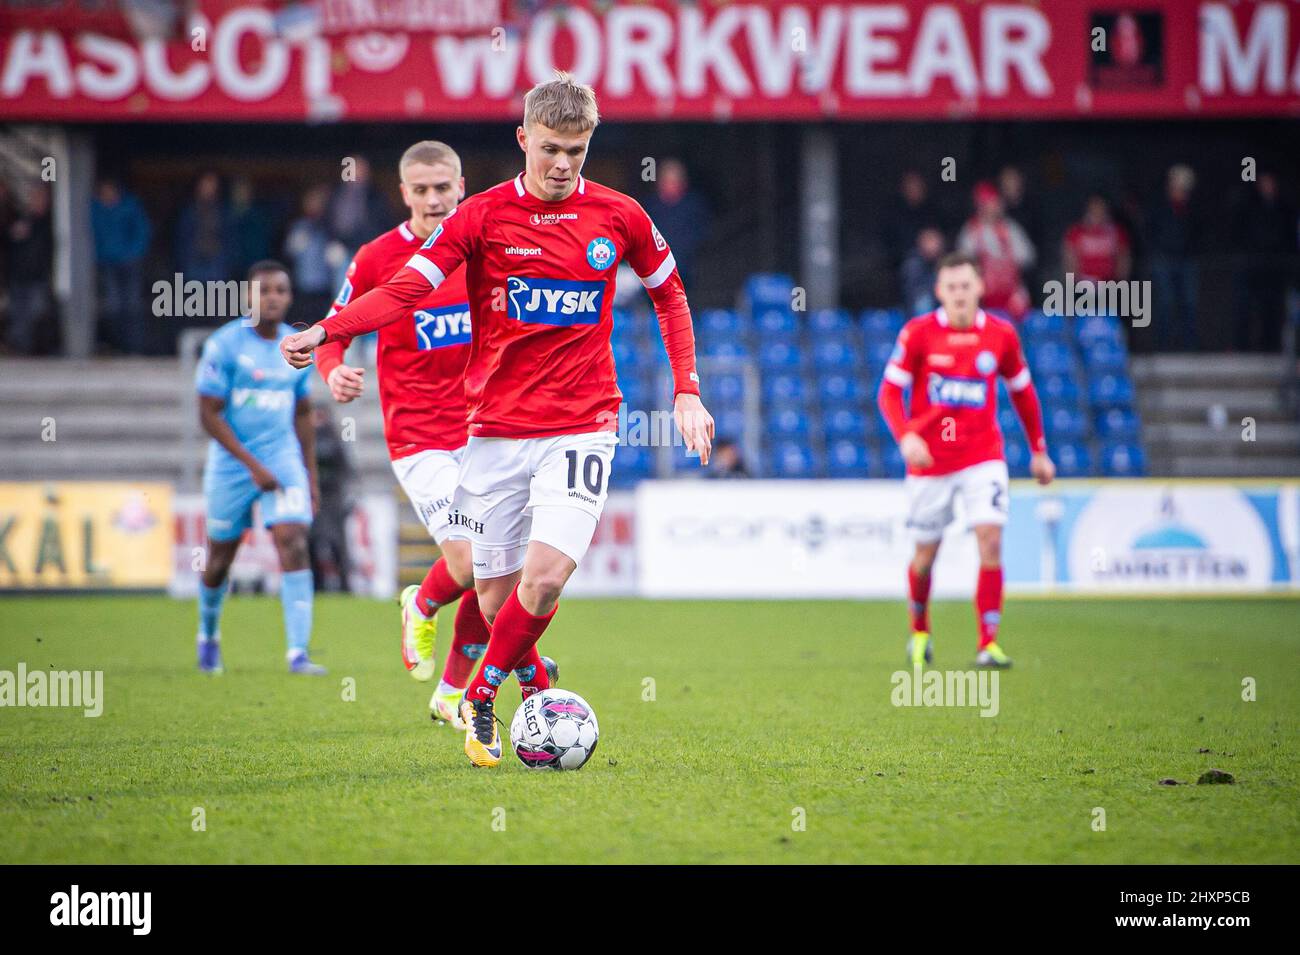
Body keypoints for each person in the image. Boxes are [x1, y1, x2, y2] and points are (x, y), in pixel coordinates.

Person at [282, 72, 714, 767]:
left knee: (543, 578)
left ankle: (479, 697)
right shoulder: (479, 218)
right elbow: (403, 290)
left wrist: (687, 390)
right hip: (492, 432)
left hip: (582, 424)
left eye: (576, 150)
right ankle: (519, 675)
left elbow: (670, 294)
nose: (562, 164)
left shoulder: (620, 215)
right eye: (549, 148)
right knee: (490, 591)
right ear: (523, 139)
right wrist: (327, 331)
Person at [315, 139, 554, 726]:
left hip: (487, 428)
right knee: (472, 562)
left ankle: (449, 693)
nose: (433, 200)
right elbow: (339, 321)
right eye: (420, 190)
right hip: (419, 433)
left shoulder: (484, 251)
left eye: (443, 188)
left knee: (498, 569)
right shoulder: (376, 258)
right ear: (404, 194)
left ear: (461, 186)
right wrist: (332, 366)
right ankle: (422, 604)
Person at [876, 252, 1054, 670]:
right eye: (951, 287)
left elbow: (1023, 394)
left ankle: (987, 643)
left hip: (982, 456)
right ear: (939, 291)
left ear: (979, 288)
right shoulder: (918, 334)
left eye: (966, 286)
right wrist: (906, 437)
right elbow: (888, 393)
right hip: (930, 463)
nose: (959, 294)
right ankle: (920, 631)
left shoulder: (1001, 335)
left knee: (991, 541)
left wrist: (1039, 449)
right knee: (925, 557)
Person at [193, 260, 325, 676]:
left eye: (281, 290)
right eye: (263, 290)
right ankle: (208, 635)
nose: (272, 298)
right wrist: (252, 467)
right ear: (248, 296)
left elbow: (303, 415)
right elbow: (209, 415)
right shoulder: (224, 345)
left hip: (283, 459)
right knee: (219, 558)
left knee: (293, 540)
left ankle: (298, 653)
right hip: (233, 465)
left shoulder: (296, 345)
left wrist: (309, 475)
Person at [1232, 171, 1296, 353]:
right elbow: (1240, 233)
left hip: (1275, 268)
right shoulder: (1250, 208)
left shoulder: (1284, 208)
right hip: (1253, 266)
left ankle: (1270, 345)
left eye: (1270, 182)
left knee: (1273, 308)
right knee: (1247, 307)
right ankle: (1242, 347)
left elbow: (1289, 236)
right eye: (1263, 183)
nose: (1267, 187)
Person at [957, 181, 1035, 321]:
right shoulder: (971, 231)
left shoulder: (1009, 228)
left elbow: (1027, 257)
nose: (995, 207)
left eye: (996, 203)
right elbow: (963, 265)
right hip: (983, 298)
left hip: (1011, 295)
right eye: (990, 203)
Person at [91, 177, 152, 354]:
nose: (107, 195)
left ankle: (134, 348)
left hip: (130, 264)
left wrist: (134, 254)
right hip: (106, 264)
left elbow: (142, 231)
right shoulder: (94, 208)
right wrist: (98, 257)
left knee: (132, 305)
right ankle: (115, 346)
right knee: (112, 306)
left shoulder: (130, 206)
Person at [1146, 164, 1200, 351]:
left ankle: (1189, 347)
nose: (1180, 189)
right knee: (1165, 303)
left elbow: (1199, 232)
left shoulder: (1192, 208)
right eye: (1177, 184)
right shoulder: (1158, 205)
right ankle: (1162, 347)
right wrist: (1157, 250)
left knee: (1189, 303)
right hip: (1163, 259)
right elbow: (1150, 230)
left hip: (1186, 260)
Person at [642, 158, 709, 289]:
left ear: (683, 184)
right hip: (653, 266)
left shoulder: (693, 206)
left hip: (684, 265)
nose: (670, 186)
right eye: (667, 182)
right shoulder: (650, 206)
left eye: (675, 182)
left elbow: (701, 235)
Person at [308, 404, 354, 593]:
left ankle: (344, 585)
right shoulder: (305, 441)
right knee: (310, 543)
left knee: (337, 545)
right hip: (311, 498)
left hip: (332, 499)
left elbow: (345, 469)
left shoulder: (334, 441)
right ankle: (315, 585)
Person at [6, 182, 55, 355]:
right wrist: (13, 235)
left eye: (39, 197)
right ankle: (21, 349)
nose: (35, 201)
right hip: (19, 274)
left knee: (38, 313)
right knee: (19, 315)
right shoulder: (22, 219)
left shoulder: (51, 220)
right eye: (33, 197)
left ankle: (39, 350)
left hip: (39, 275)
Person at [283, 185, 337, 327]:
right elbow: (289, 251)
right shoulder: (299, 225)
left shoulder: (331, 227)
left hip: (325, 284)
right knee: (302, 322)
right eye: (311, 201)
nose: (315, 206)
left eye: (319, 202)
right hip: (303, 283)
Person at [175, 171, 232, 285]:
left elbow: (230, 237)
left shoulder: (224, 211)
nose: (208, 188)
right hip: (193, 262)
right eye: (205, 184)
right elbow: (181, 237)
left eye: (211, 184)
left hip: (217, 263)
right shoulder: (189, 210)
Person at [1062, 194, 1131, 285]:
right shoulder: (1077, 232)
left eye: (1101, 209)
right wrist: (1072, 282)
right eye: (1094, 210)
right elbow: (1070, 258)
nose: (1098, 213)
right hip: (1084, 283)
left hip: (1110, 283)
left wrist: (1121, 281)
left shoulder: (1117, 232)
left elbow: (1124, 258)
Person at [899, 226, 945, 317]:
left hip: (943, 302)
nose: (931, 245)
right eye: (928, 241)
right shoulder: (912, 265)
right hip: (921, 305)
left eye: (934, 240)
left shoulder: (945, 262)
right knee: (923, 301)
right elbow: (912, 292)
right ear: (920, 243)